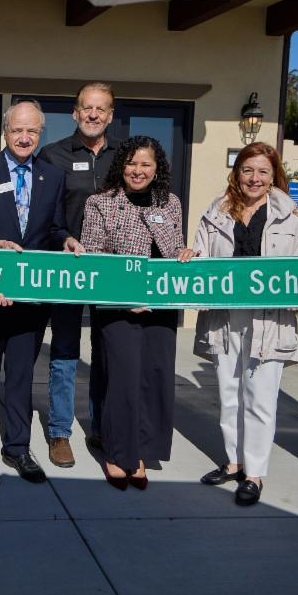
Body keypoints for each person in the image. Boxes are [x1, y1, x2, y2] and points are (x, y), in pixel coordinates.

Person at [0, 100, 83, 487]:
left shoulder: (52, 175)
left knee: (20, 378)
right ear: (5, 130)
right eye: (18, 129)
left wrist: (65, 239)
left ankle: (17, 446)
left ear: (40, 134)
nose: (24, 137)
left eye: (32, 131)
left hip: (30, 300)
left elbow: (54, 227)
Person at [188, 142, 298, 506]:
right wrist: (192, 257)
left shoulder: (291, 215)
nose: (254, 178)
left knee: (260, 398)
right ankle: (234, 462)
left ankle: (254, 474)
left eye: (263, 172)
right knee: (228, 394)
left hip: (269, 319)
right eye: (248, 170)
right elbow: (202, 256)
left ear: (274, 177)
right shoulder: (216, 211)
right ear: (236, 173)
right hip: (225, 316)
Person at [80, 136, 185, 490]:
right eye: (131, 163)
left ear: (158, 170)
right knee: (122, 379)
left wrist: (183, 253)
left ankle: (140, 451)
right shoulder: (100, 203)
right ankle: (116, 452)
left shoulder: (170, 203)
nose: (138, 171)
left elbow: (173, 251)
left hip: (160, 308)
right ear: (120, 166)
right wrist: (126, 297)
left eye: (146, 165)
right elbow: (94, 257)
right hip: (117, 308)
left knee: (154, 378)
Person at [37, 82, 117, 467]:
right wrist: (65, 236)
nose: (93, 114)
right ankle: (59, 432)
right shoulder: (53, 156)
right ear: (75, 113)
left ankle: (101, 426)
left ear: (110, 115)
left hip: (112, 272)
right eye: (87, 107)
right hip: (66, 266)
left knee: (107, 350)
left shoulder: (125, 157)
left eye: (101, 109)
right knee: (65, 350)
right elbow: (44, 213)